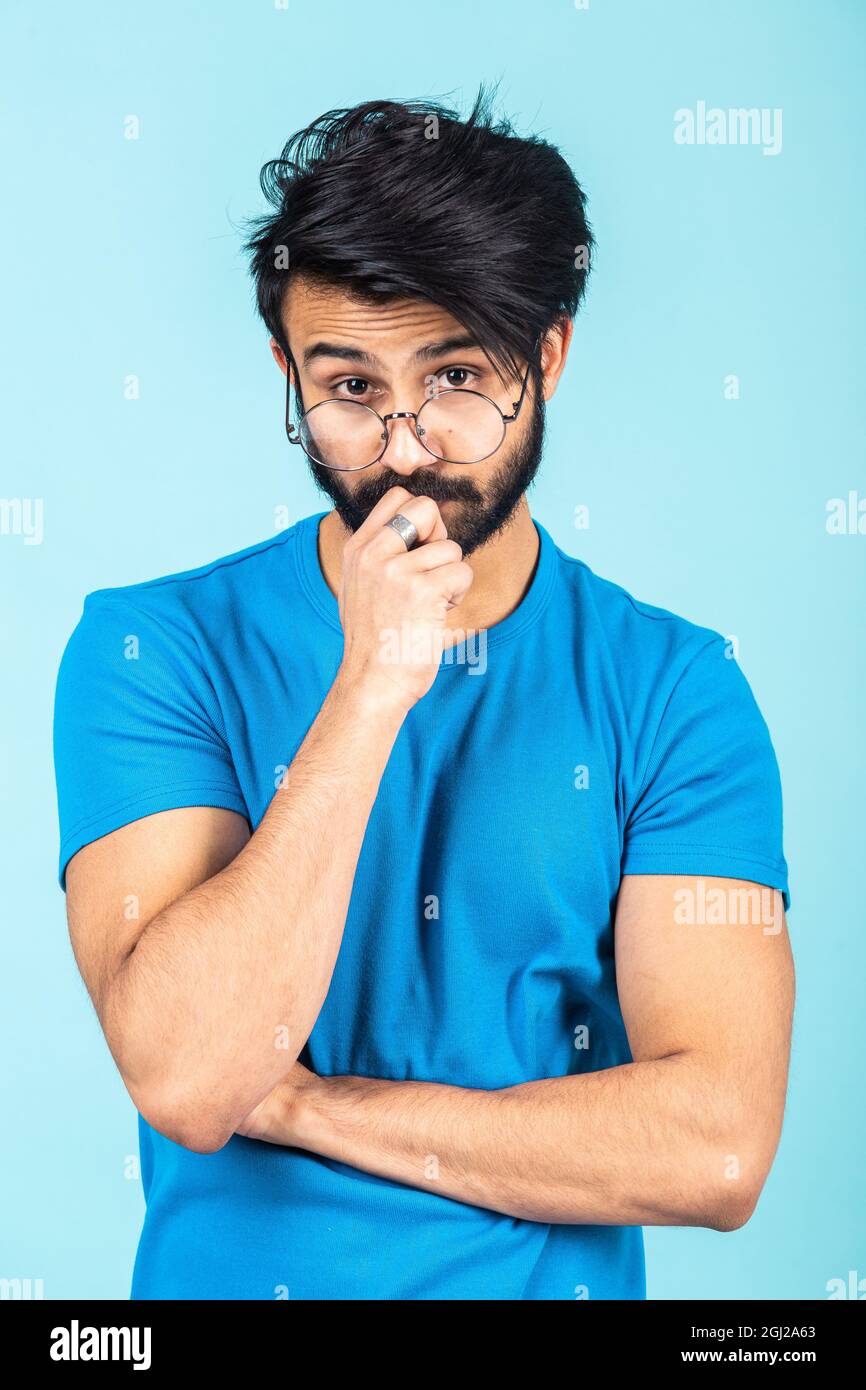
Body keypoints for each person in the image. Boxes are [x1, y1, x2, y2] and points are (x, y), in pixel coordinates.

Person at [53, 91, 794, 1301]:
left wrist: (306, 1106)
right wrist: (371, 686)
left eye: (453, 375)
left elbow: (713, 1145)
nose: (403, 447)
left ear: (544, 355)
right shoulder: (150, 651)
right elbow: (191, 1078)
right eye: (348, 389)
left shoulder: (674, 688)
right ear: (289, 372)